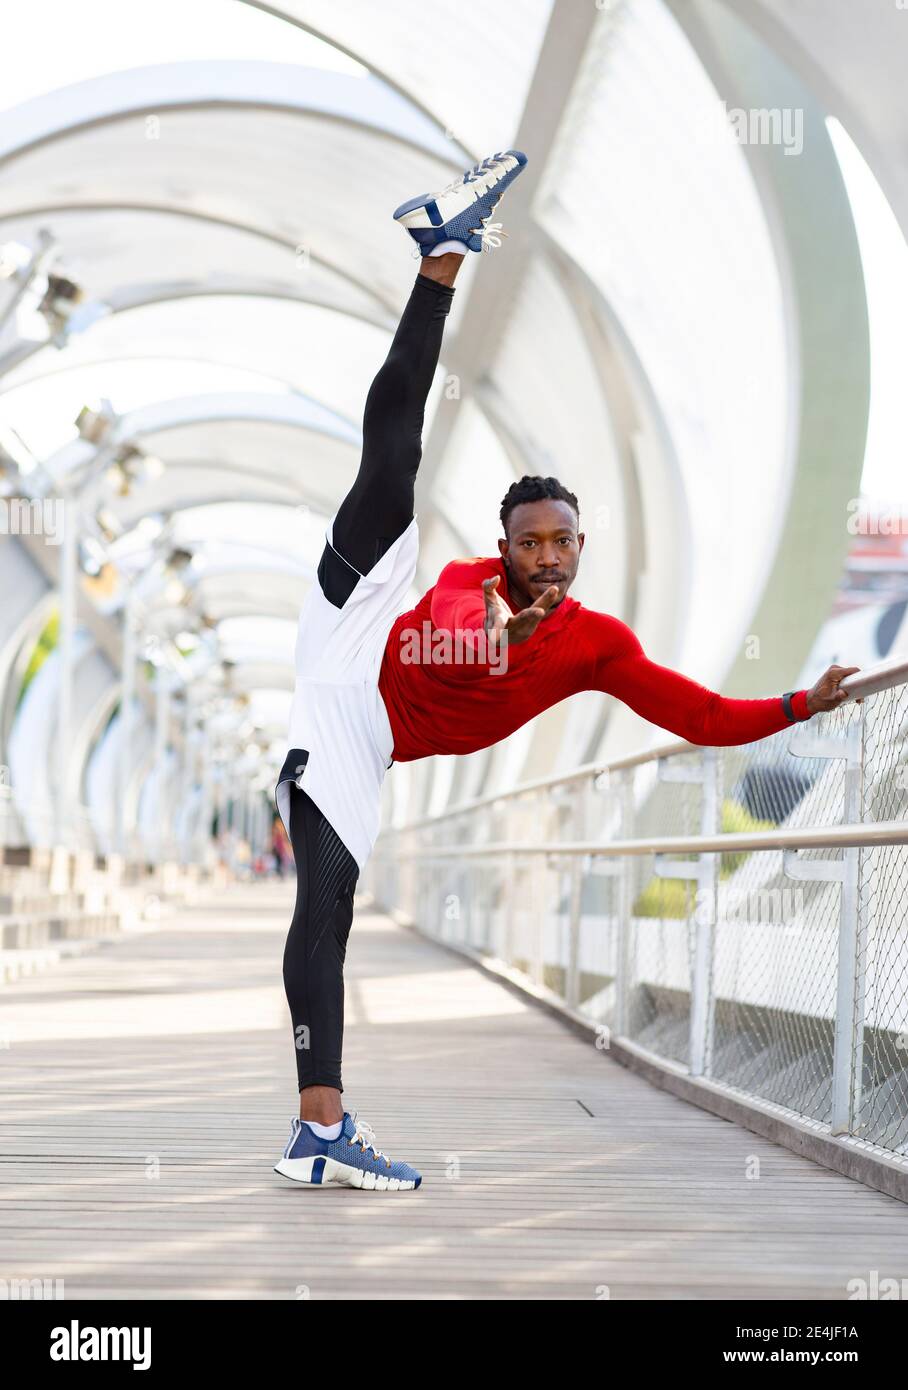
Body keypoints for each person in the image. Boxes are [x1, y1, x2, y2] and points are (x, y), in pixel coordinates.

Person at [272, 151, 859, 1192]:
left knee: (327, 905)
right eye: (527, 540)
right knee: (390, 468)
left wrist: (795, 703)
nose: (543, 553)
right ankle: (441, 257)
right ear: (504, 544)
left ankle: (317, 1134)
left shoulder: (594, 643)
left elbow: (697, 709)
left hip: (364, 741)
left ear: (579, 547)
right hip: (350, 634)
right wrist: (498, 629)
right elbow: (442, 641)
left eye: (560, 540)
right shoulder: (464, 582)